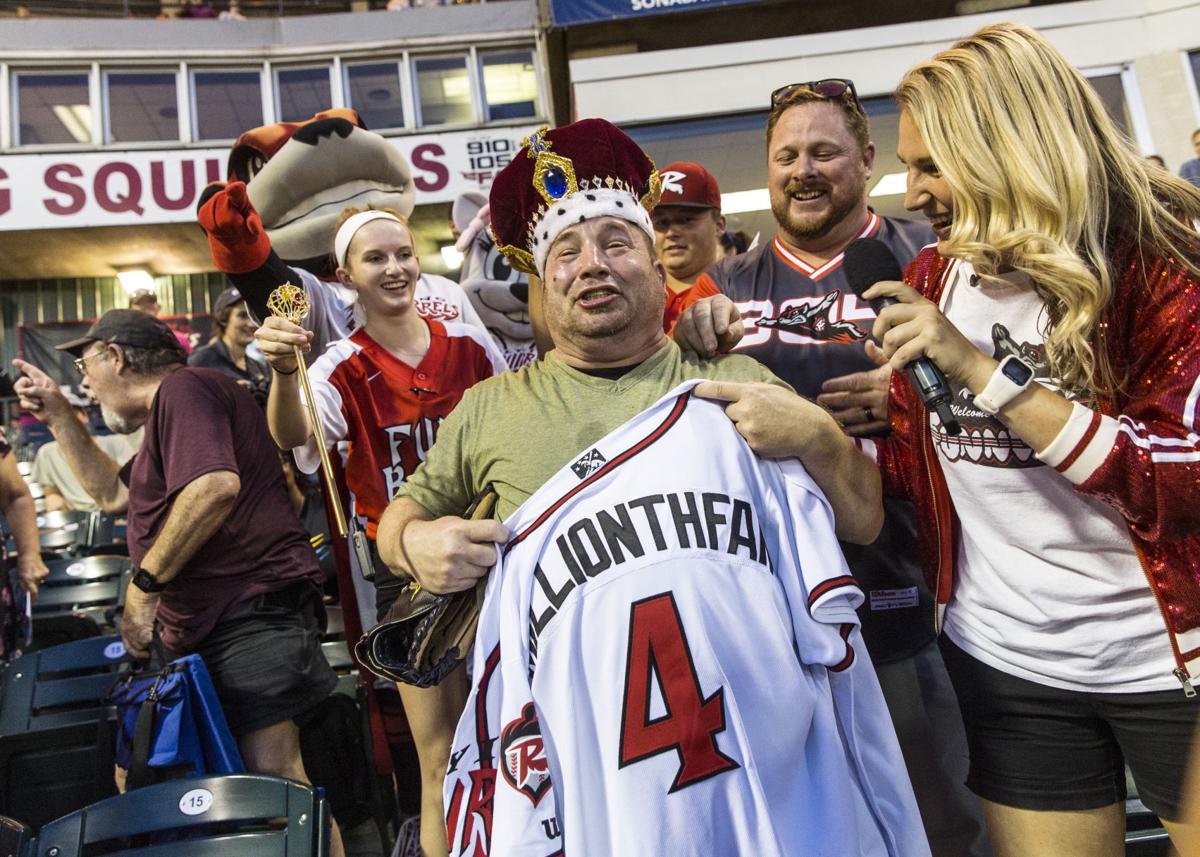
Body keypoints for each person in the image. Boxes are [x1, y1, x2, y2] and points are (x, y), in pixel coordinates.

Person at [376, 118, 926, 856]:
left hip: (764, 748)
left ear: (654, 259)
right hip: (591, 772)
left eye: (615, 242)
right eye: (565, 252)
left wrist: (822, 437)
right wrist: (416, 540)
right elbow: (396, 522)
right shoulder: (489, 408)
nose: (592, 265)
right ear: (541, 281)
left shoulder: (735, 379)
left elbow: (860, 521)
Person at [865, 22, 1200, 856]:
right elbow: (929, 470)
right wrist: (855, 428)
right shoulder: (931, 277)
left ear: (1006, 149)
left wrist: (984, 372)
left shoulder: (1163, 265)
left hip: (1171, 659)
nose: (911, 194)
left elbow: (1178, 482)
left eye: (930, 165)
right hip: (1010, 660)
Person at [674, 78, 988, 857]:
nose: (803, 170)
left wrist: (915, 393)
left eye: (824, 152)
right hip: (778, 605)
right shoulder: (726, 287)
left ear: (868, 159)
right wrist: (683, 328)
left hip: (930, 584)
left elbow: (1009, 393)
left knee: (948, 815)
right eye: (787, 156)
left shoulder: (935, 254)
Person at [12, 310, 345, 857]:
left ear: (116, 356)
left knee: (272, 788)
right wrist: (60, 416)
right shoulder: (173, 412)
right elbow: (112, 495)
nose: (84, 382)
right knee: (244, 790)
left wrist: (144, 586)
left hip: (246, 614)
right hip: (215, 622)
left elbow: (214, 486)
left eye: (85, 364)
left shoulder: (186, 389)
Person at [257, 206, 505, 857]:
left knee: (514, 731)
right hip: (404, 583)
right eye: (377, 257)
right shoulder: (336, 366)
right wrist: (285, 371)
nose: (395, 267)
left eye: (404, 252)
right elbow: (291, 436)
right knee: (439, 755)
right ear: (346, 275)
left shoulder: (473, 348)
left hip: (494, 562)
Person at [31, 389, 142, 513]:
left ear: (84, 416)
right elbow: (50, 491)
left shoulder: (116, 442)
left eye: (69, 413)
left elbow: (129, 485)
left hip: (117, 511)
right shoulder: (47, 452)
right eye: (55, 416)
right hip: (75, 517)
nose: (64, 421)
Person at [652, 161, 726, 331]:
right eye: (661, 222)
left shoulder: (740, 290)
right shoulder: (640, 299)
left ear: (719, 225)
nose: (671, 233)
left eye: (685, 220)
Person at [189, 287, 270, 407]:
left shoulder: (258, 367)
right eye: (242, 316)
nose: (251, 324)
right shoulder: (201, 361)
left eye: (253, 316)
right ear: (223, 319)